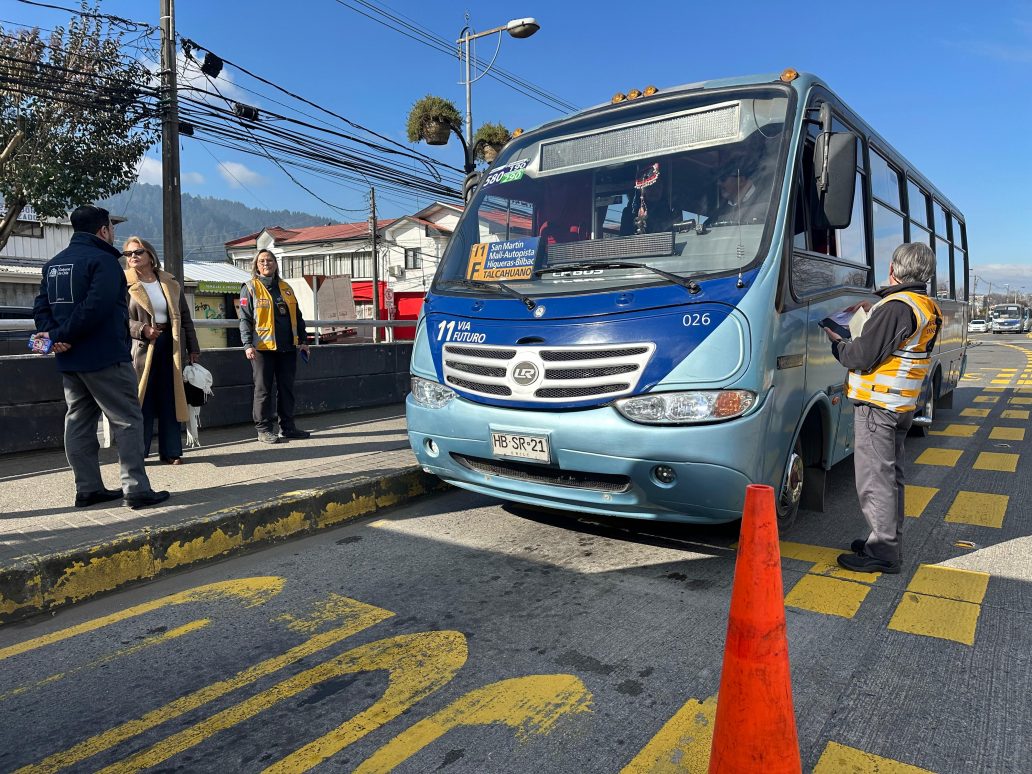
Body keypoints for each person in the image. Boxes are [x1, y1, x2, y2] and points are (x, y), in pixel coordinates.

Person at [32, 205, 170, 510]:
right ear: (103, 230)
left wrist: (53, 336)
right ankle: (135, 489)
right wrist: (60, 336)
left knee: (78, 422)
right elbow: (96, 308)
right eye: (112, 228)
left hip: (70, 360)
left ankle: (88, 489)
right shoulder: (104, 261)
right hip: (105, 356)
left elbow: (41, 307)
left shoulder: (54, 264)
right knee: (128, 420)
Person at [824, 242, 942, 573]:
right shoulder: (925, 306)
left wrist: (838, 343)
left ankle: (884, 553)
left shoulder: (896, 308)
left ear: (894, 268)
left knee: (876, 480)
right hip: (900, 405)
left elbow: (860, 356)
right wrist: (877, 307)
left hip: (878, 407)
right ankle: (883, 540)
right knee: (890, 478)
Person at [123, 236, 201, 465]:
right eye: (128, 254)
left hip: (170, 344)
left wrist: (193, 347)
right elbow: (117, 317)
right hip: (140, 348)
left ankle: (171, 451)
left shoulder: (168, 281)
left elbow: (185, 317)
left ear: (150, 255)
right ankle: (139, 452)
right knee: (142, 400)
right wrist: (141, 329)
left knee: (171, 398)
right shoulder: (123, 283)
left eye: (138, 252)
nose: (133, 257)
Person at [239, 250, 311, 444]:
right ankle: (263, 430)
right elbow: (244, 319)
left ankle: (288, 428)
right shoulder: (250, 287)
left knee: (286, 389)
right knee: (263, 390)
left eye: (269, 260)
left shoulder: (286, 287)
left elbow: (298, 316)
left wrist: (303, 341)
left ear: (276, 264)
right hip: (262, 348)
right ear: (256, 265)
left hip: (288, 347)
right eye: (262, 261)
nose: (266, 263)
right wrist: (247, 344)